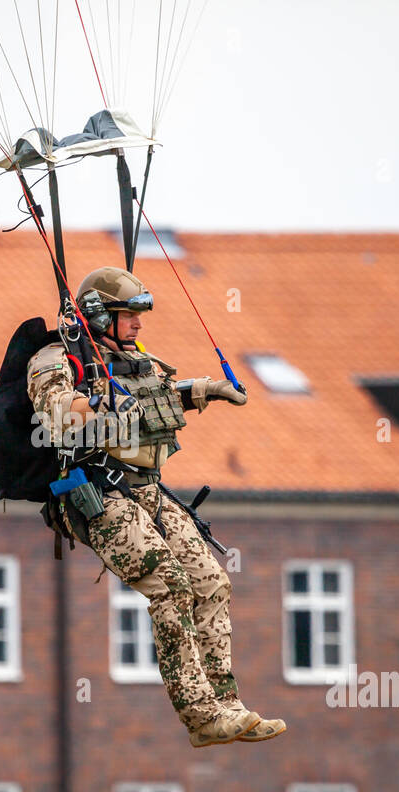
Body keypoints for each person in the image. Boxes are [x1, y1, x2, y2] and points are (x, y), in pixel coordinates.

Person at [27, 266, 286, 747]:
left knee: (212, 581)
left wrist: (205, 390)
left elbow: (159, 399)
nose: (139, 325)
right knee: (170, 584)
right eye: (129, 316)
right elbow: (54, 412)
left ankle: (228, 706)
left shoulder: (136, 359)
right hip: (98, 492)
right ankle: (202, 716)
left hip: (150, 490)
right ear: (100, 315)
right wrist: (101, 407)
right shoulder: (57, 358)